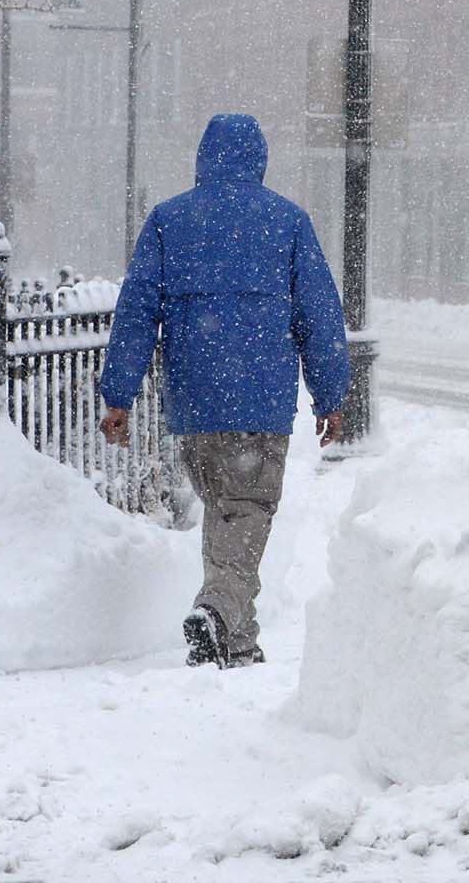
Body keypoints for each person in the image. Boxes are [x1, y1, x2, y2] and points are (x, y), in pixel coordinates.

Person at [98, 114, 348, 670]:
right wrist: (330, 395)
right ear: (259, 161)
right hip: (260, 403)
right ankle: (216, 611)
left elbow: (136, 312)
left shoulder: (169, 220)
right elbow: (320, 316)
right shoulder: (287, 222)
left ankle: (236, 640)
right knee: (247, 509)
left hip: (196, 402)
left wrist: (120, 393)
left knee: (227, 510)